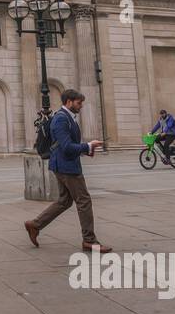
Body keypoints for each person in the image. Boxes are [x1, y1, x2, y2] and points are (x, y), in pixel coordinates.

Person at [24, 89, 111, 253]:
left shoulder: (67, 118)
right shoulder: (61, 119)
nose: (81, 106)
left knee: (64, 201)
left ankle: (35, 224)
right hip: (67, 167)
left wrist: (86, 149)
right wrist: (88, 145)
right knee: (84, 201)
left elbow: (67, 144)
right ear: (69, 102)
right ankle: (89, 240)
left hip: (63, 164)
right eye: (79, 103)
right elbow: (66, 146)